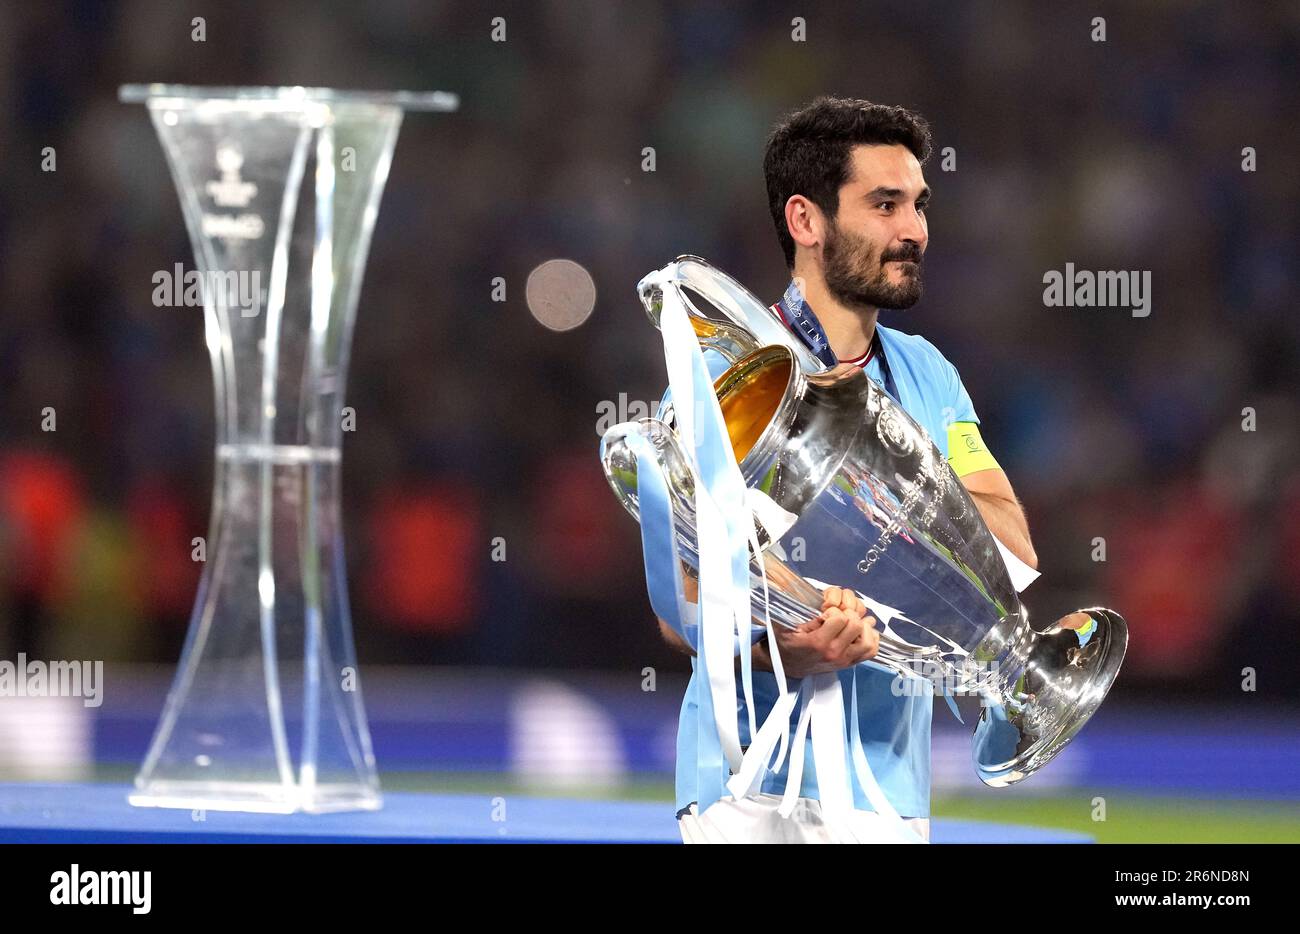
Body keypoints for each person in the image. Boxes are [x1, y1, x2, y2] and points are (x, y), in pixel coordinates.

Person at [656, 96, 1038, 844]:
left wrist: (876, 468)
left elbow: (1013, 549)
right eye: (885, 204)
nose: (915, 231)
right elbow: (681, 599)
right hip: (742, 785)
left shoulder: (927, 374)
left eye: (920, 205)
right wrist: (785, 647)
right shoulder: (718, 378)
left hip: (888, 794)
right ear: (807, 221)